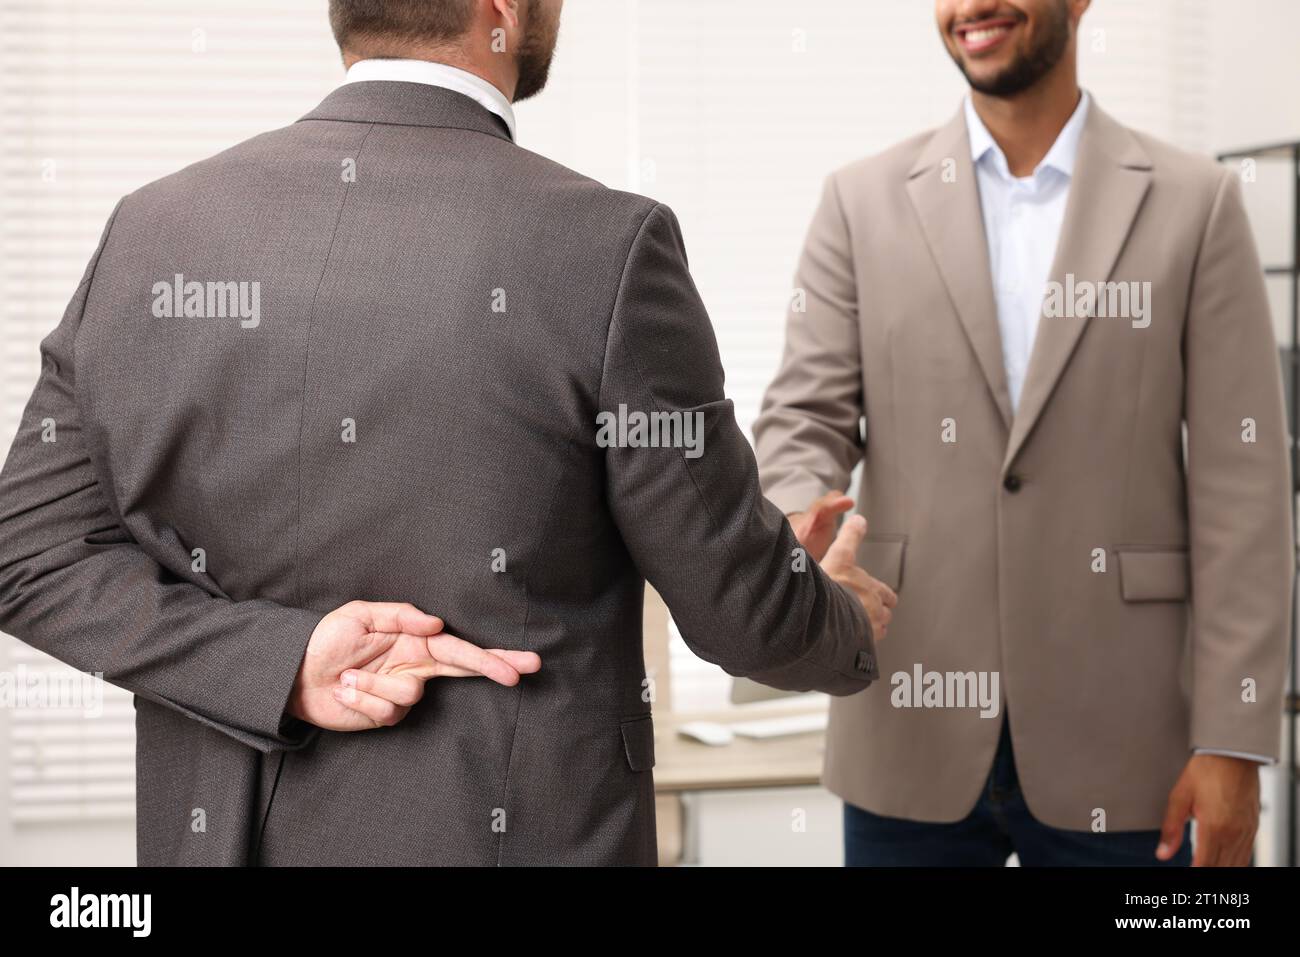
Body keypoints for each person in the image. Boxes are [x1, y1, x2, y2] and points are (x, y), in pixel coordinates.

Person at [0, 0, 894, 866]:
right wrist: (837, 607)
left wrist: (284, 663)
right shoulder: (609, 248)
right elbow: (745, 615)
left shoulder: (150, 231)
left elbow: (27, 555)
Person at [755, 0, 1291, 867]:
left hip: (1130, 741)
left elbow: (1244, 488)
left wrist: (1236, 738)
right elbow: (802, 416)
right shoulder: (859, 202)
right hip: (907, 717)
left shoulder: (1198, 204)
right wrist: (800, 532)